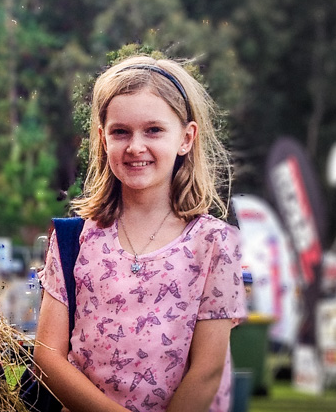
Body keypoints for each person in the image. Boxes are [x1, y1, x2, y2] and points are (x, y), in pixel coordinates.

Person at [33, 56, 246, 412]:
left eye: (153, 130)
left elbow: (207, 371)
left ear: (186, 138)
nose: (135, 147)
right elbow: (48, 355)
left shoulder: (214, 244)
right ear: (103, 139)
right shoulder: (75, 239)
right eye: (121, 132)